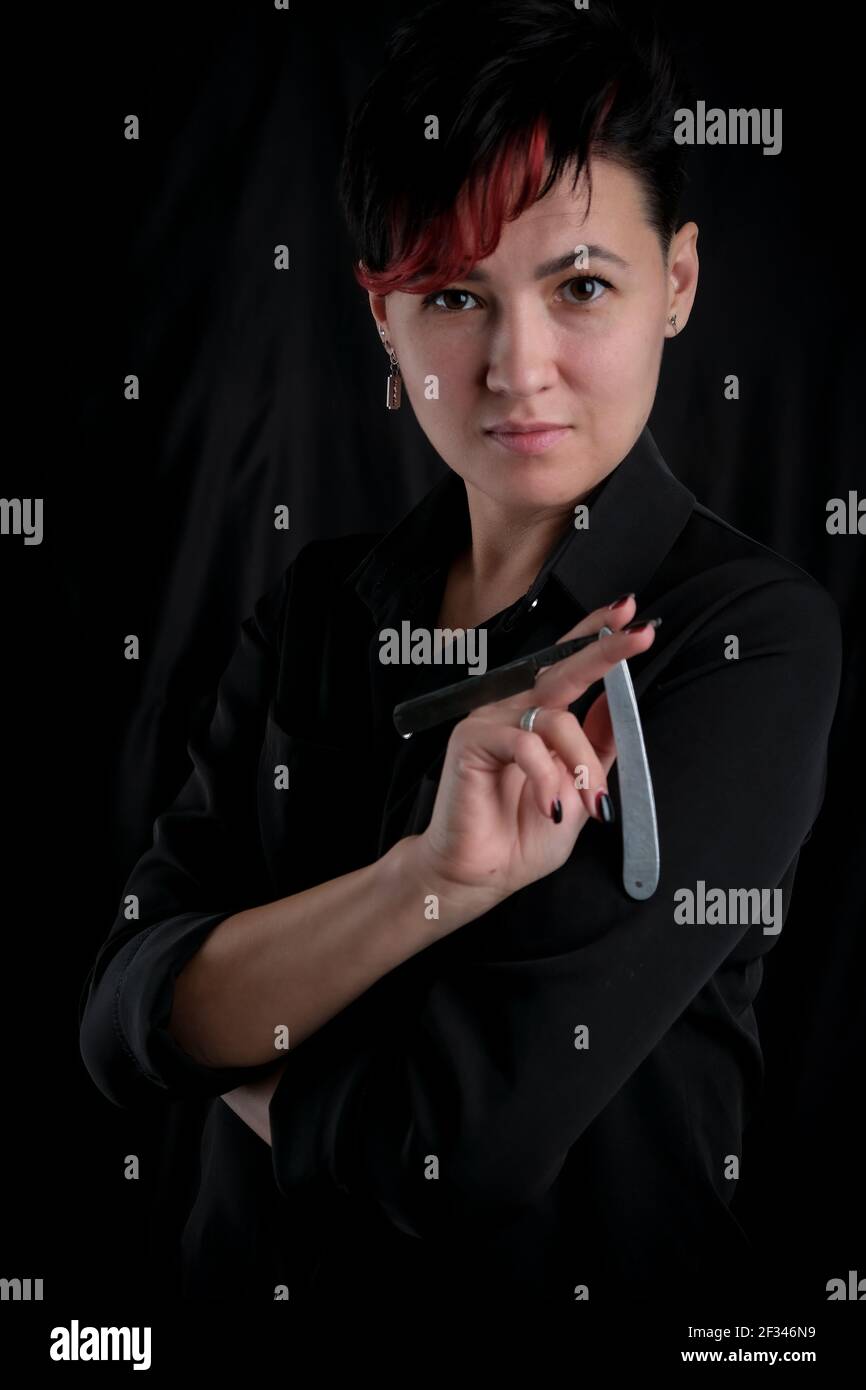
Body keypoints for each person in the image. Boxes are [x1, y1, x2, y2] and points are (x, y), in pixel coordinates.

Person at [79, 0, 842, 1311]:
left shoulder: (738, 640)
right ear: (381, 322)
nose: (515, 367)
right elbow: (115, 1015)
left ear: (678, 282)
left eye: (580, 287)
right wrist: (419, 886)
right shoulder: (312, 610)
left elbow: (448, 1151)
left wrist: (226, 1048)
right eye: (449, 296)